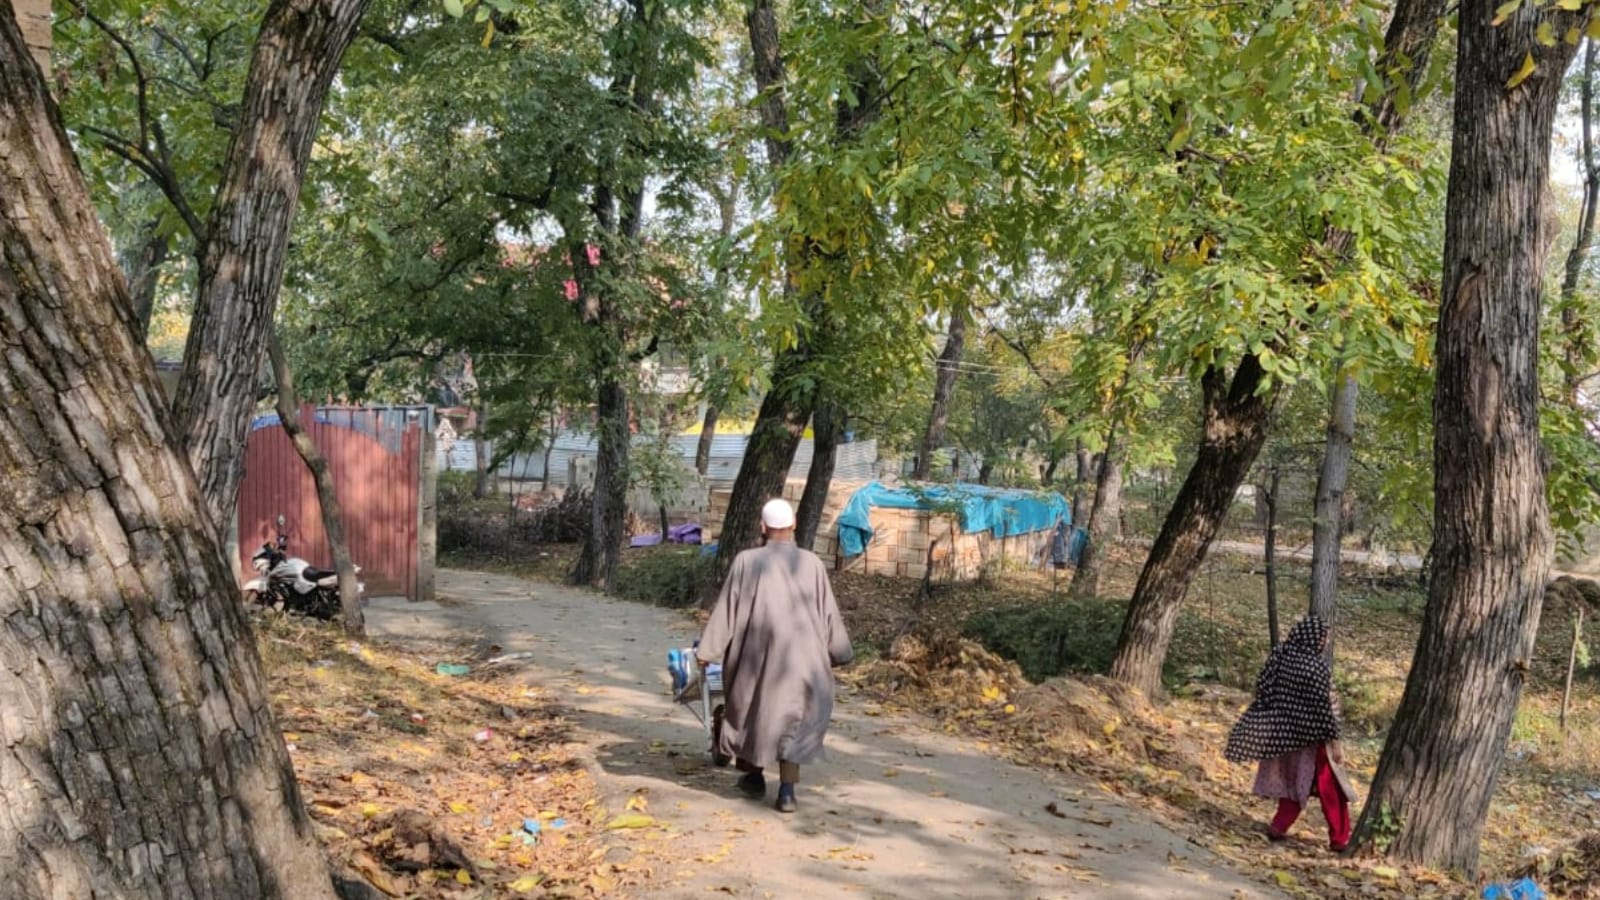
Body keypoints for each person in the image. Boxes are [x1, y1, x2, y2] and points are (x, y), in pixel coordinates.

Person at [696, 498, 852, 813]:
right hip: (806, 661)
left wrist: (708, 651)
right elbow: (829, 614)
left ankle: (753, 779)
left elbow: (727, 609)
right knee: (795, 718)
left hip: (758, 659)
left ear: (763, 528)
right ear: (794, 524)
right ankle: (787, 792)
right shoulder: (812, 563)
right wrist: (839, 652)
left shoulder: (746, 561)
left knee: (756, 713)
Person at [1223, 615, 1352, 851]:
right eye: (1324, 637)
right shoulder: (1315, 666)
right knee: (1330, 787)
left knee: (1293, 782)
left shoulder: (1280, 656)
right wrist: (1335, 740)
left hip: (1281, 735)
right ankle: (1340, 838)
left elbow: (1263, 687)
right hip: (1312, 737)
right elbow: (1325, 706)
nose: (1325, 642)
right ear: (1316, 638)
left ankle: (1279, 826)